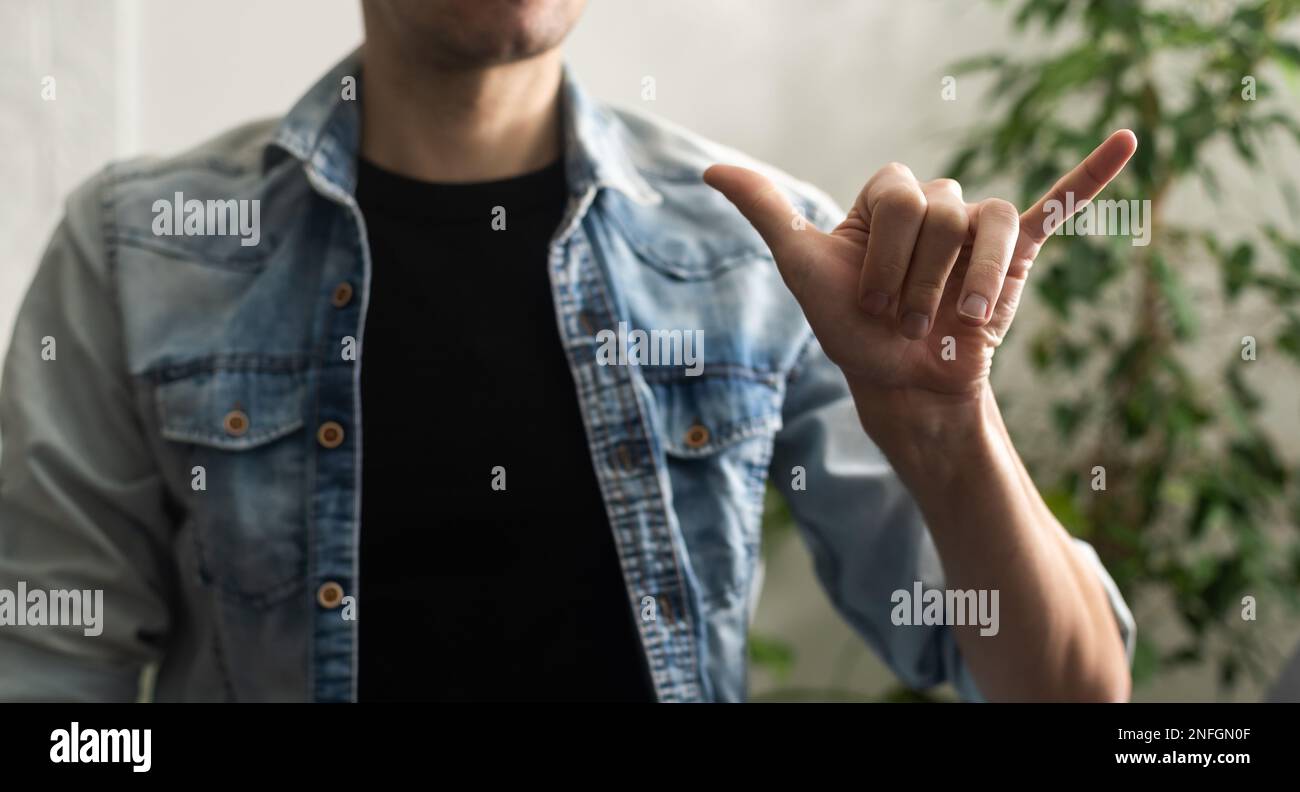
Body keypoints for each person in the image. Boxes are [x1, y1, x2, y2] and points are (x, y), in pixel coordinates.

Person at [0, 0, 1134, 702]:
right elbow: (52, 677)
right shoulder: (139, 252)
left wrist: (948, 434)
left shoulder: (771, 256)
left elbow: (1073, 694)